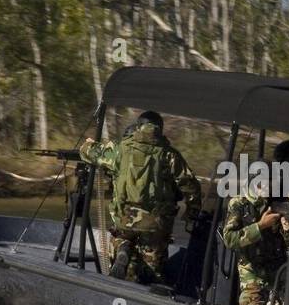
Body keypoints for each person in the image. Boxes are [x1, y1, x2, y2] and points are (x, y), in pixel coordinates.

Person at [80, 110, 201, 285]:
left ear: (138, 126)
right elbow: (190, 186)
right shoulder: (169, 155)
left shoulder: (119, 149)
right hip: (156, 223)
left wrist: (90, 144)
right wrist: (191, 214)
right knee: (153, 270)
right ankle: (150, 286)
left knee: (123, 243)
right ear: (160, 129)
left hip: (124, 219)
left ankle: (123, 247)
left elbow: (85, 152)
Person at [221, 181, 288, 305]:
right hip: (251, 270)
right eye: (259, 184)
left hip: (276, 269)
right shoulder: (239, 204)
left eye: (268, 184)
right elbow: (229, 239)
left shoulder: (277, 203)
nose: (265, 188)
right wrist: (260, 226)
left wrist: (288, 230)